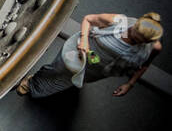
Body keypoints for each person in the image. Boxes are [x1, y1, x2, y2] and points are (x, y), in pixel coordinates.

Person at [19, 12, 162, 99]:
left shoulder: (153, 46)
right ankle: (34, 82)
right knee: (57, 69)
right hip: (80, 51)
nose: (137, 43)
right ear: (135, 27)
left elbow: (144, 65)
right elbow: (88, 19)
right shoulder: (118, 22)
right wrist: (85, 40)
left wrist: (130, 84)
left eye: (142, 42)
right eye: (136, 38)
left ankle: (55, 85)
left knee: (72, 79)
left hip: (99, 68)